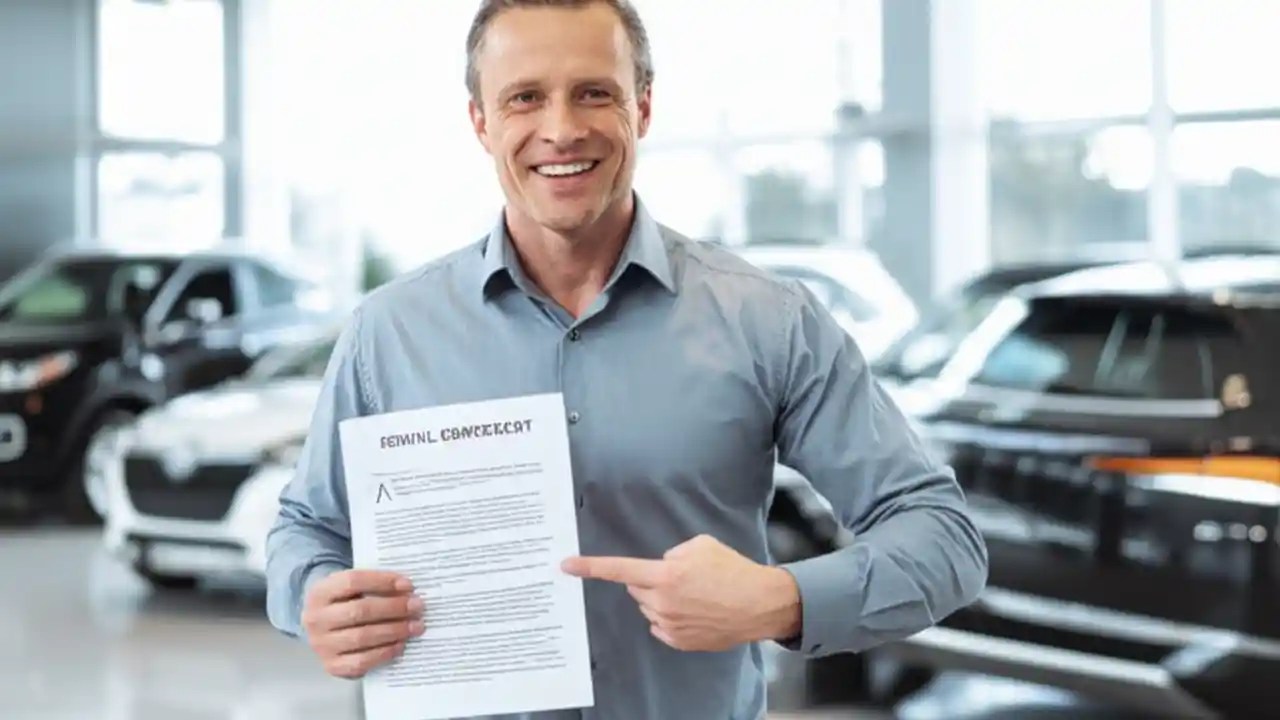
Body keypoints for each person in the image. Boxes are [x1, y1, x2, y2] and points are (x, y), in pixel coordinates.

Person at [265, 1, 988, 717]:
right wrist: (313, 599)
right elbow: (307, 529)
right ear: (481, 122)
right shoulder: (389, 333)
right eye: (524, 98)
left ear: (641, 108)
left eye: (594, 93)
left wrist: (780, 599)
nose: (560, 129)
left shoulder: (768, 320)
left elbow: (943, 539)